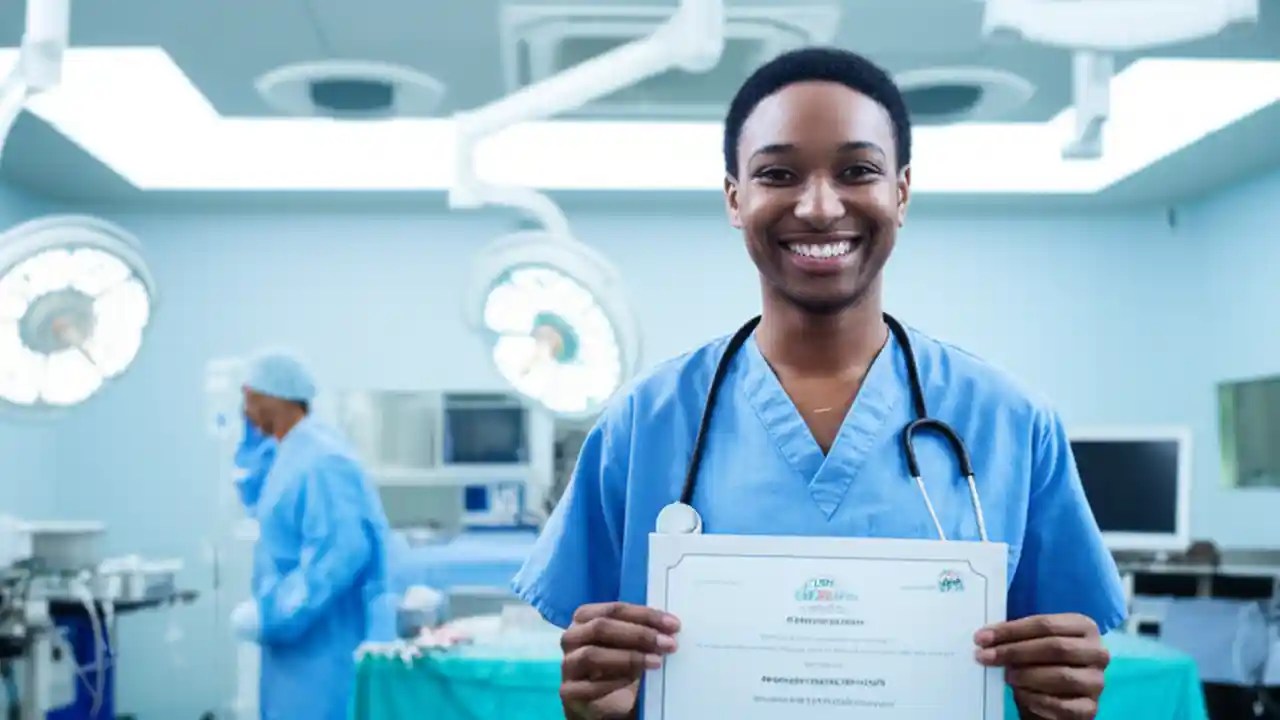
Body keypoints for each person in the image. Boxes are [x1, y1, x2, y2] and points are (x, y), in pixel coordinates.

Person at [512, 47, 1126, 720]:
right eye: (777, 173)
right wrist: (600, 703)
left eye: (857, 170)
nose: (819, 205)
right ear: (735, 200)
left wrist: (1061, 698)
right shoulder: (642, 424)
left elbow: (1060, 662)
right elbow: (597, 664)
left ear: (902, 192)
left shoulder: (1010, 423)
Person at [229, 351, 395, 720]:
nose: (246, 410)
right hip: (298, 651)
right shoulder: (290, 453)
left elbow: (343, 550)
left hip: (322, 648)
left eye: (250, 398)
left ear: (274, 397)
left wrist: (277, 612)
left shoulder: (322, 459)